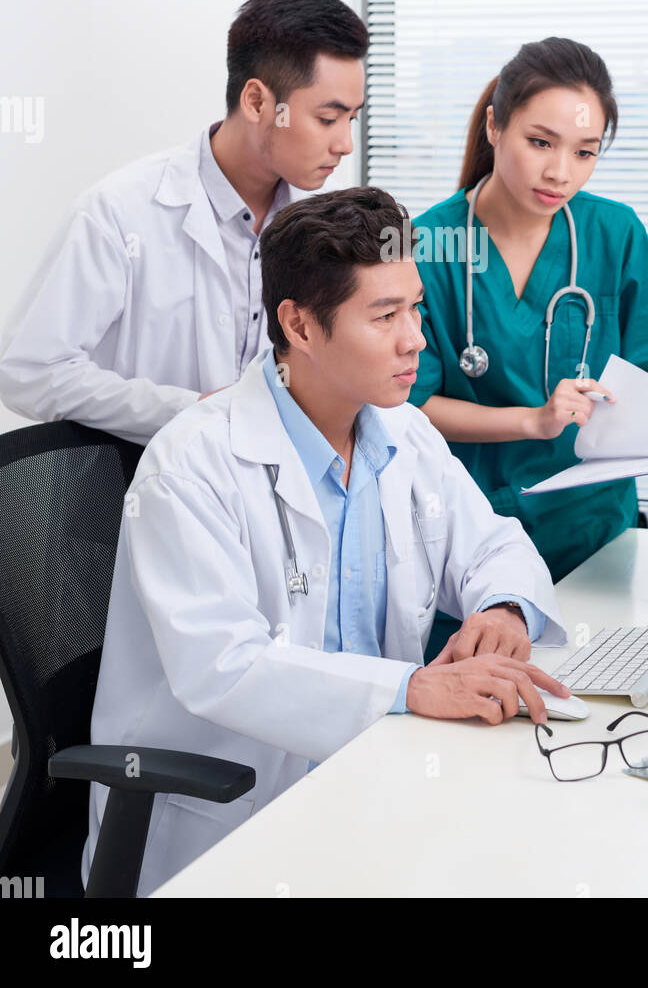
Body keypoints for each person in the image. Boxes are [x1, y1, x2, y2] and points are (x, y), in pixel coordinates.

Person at [81, 186, 569, 897]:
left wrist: (502, 610)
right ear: (300, 326)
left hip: (378, 777)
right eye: (384, 316)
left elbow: (494, 543)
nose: (415, 340)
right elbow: (223, 666)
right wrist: (412, 687)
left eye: (416, 309)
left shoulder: (401, 432)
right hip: (233, 817)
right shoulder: (189, 465)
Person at [407, 37, 648, 663]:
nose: (560, 172)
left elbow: (645, 365)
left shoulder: (613, 231)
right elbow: (411, 404)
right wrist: (533, 422)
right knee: (479, 713)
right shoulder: (427, 245)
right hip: (476, 540)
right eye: (540, 143)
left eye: (585, 152)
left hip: (596, 535)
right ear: (494, 124)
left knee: (596, 703)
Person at [0, 0, 368, 445]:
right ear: (257, 102)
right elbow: (29, 370)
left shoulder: (323, 224)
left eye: (352, 119)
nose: (345, 144)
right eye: (328, 119)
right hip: (136, 488)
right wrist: (190, 410)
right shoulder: (118, 213)